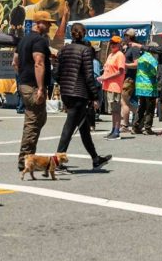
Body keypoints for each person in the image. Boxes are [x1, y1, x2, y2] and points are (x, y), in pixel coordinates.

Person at [54, 23, 113, 170]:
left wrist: (64, 83)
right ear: (84, 33)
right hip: (79, 93)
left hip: (66, 91)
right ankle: (57, 161)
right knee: (69, 127)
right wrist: (94, 96)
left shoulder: (63, 50)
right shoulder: (86, 51)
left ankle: (95, 158)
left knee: (83, 127)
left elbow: (55, 73)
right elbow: (88, 76)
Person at [15, 11, 55, 171]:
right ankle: (25, 159)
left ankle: (27, 157)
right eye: (48, 23)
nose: (50, 26)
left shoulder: (24, 40)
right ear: (39, 23)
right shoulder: (39, 40)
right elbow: (39, 63)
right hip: (33, 86)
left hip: (25, 84)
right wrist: (40, 88)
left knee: (38, 119)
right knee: (33, 122)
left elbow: (15, 62)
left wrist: (22, 77)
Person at [101, 36, 127, 138]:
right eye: (111, 43)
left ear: (119, 44)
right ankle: (113, 129)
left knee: (116, 110)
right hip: (108, 86)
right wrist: (102, 77)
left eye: (115, 43)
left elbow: (120, 71)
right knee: (113, 110)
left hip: (115, 86)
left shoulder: (120, 55)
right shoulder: (111, 55)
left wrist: (106, 77)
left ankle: (116, 131)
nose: (113, 45)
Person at [133, 41, 158, 135]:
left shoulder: (141, 58)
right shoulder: (152, 60)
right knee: (150, 109)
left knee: (141, 108)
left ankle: (135, 127)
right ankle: (147, 128)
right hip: (149, 87)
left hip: (140, 86)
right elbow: (155, 72)